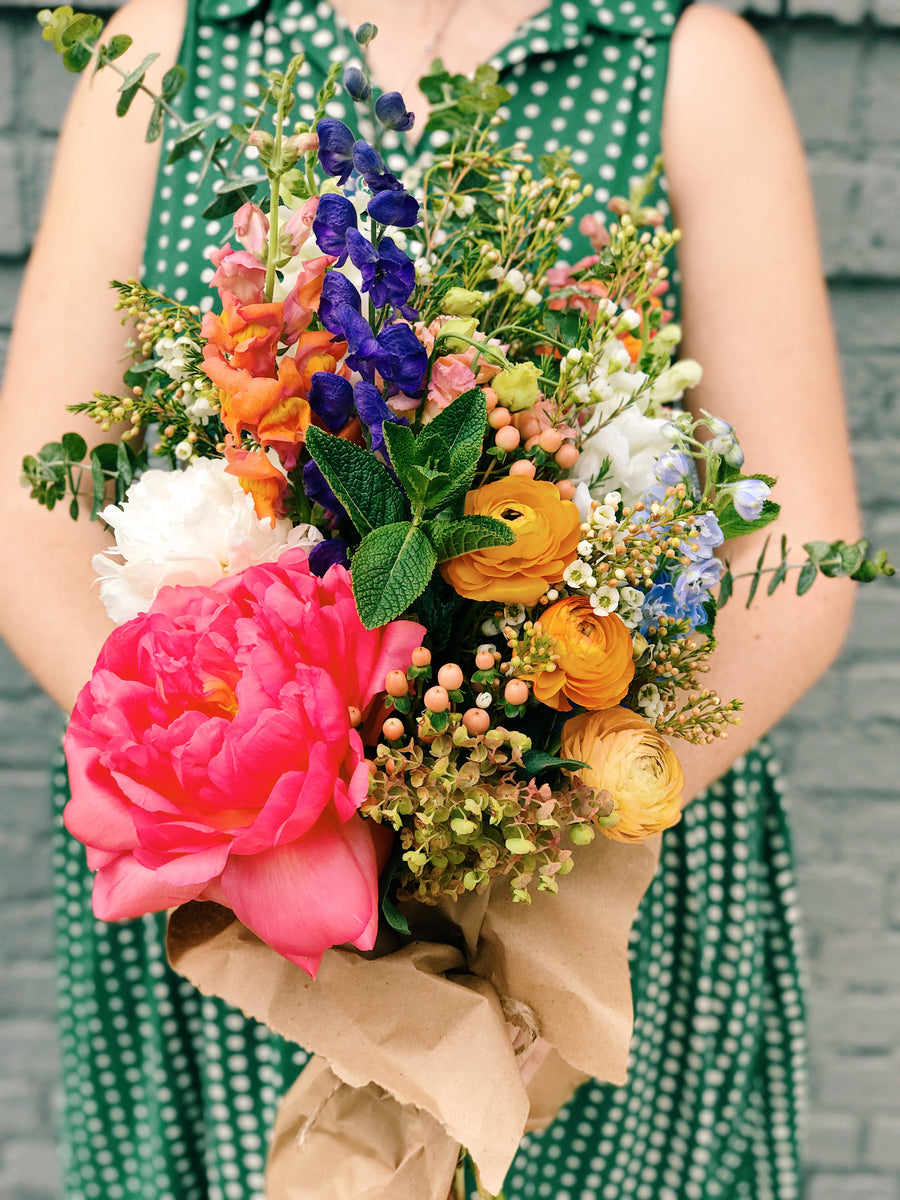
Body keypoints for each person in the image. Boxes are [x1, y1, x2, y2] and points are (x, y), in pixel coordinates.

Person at [0, 0, 860, 1197]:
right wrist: (250, 807)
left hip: (575, 896)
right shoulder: (166, 46)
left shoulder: (684, 64)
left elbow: (801, 561)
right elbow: (26, 520)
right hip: (240, 890)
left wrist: (506, 843)